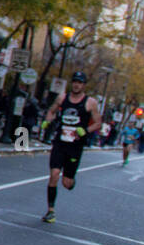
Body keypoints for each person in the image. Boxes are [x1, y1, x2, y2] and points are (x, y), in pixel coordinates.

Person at [41, 71, 101, 223]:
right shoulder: (62, 98)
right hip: (60, 143)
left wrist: (85, 131)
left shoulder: (90, 103)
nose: (76, 84)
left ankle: (71, 179)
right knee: (54, 174)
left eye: (80, 82)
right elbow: (51, 111)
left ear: (84, 85)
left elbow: (98, 123)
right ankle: (51, 211)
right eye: (74, 81)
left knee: (66, 183)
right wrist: (47, 121)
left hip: (75, 146)